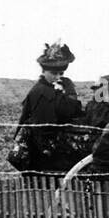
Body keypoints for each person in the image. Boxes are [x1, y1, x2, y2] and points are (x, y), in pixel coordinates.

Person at [10, 41, 87, 172]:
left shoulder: (63, 85)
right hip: (41, 148)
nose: (57, 77)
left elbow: (74, 112)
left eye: (61, 73)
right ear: (44, 70)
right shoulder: (40, 92)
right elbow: (44, 125)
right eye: (53, 73)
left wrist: (68, 91)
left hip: (58, 142)